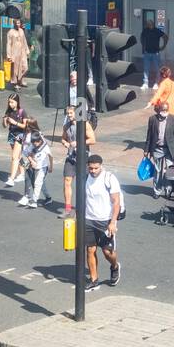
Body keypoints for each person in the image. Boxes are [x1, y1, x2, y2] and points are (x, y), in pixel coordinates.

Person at [82, 155, 122, 290]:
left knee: (107, 252)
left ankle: (115, 266)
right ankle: (94, 279)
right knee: (90, 249)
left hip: (105, 220)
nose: (93, 171)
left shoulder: (109, 178)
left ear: (101, 166)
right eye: (91, 168)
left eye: (96, 168)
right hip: (89, 219)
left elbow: (116, 202)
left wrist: (113, 222)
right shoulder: (85, 177)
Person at [60, 100, 95, 218]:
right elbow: (63, 138)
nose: (69, 115)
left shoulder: (85, 125)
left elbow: (93, 140)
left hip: (83, 157)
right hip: (70, 157)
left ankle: (85, 208)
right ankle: (68, 209)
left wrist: (79, 143)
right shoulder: (66, 126)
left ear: (76, 113)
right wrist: (65, 143)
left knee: (84, 183)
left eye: (71, 113)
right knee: (67, 181)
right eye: (68, 113)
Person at [143, 101, 174, 195]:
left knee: (169, 169)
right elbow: (149, 136)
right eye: (163, 109)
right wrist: (146, 150)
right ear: (159, 110)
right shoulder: (152, 119)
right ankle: (157, 190)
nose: (164, 111)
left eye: (166, 110)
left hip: (170, 149)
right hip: (157, 148)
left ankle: (168, 189)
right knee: (158, 170)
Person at [18, 124, 52, 207]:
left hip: (43, 167)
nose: (34, 144)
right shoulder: (32, 145)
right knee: (41, 184)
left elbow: (51, 157)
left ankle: (34, 201)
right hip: (34, 166)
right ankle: (48, 197)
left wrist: (51, 166)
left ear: (40, 141)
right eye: (33, 143)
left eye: (35, 143)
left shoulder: (45, 147)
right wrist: (32, 161)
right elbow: (26, 153)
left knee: (37, 183)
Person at [3, 94, 30, 186]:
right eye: (9, 102)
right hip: (11, 134)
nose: (10, 104)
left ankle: (11, 178)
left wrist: (15, 122)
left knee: (14, 157)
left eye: (12, 102)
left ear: (17, 102)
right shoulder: (8, 112)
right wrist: (5, 120)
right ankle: (22, 174)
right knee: (18, 156)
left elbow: (24, 126)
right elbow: (5, 126)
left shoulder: (22, 112)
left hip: (20, 135)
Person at [139, 18, 167, 90]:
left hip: (155, 53)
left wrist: (163, 46)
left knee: (157, 69)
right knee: (146, 68)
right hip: (147, 52)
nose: (148, 25)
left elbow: (165, 37)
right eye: (148, 24)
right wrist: (143, 46)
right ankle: (145, 83)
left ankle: (156, 83)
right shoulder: (145, 30)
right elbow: (141, 37)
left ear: (153, 24)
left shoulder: (157, 31)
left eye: (150, 24)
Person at [6, 20, 30, 89]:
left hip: (22, 53)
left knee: (25, 67)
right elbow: (8, 44)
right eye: (16, 23)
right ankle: (16, 84)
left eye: (19, 23)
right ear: (14, 23)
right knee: (15, 70)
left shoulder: (21, 31)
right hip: (14, 53)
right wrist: (9, 56)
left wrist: (27, 50)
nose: (17, 24)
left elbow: (24, 41)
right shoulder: (10, 32)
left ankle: (21, 80)